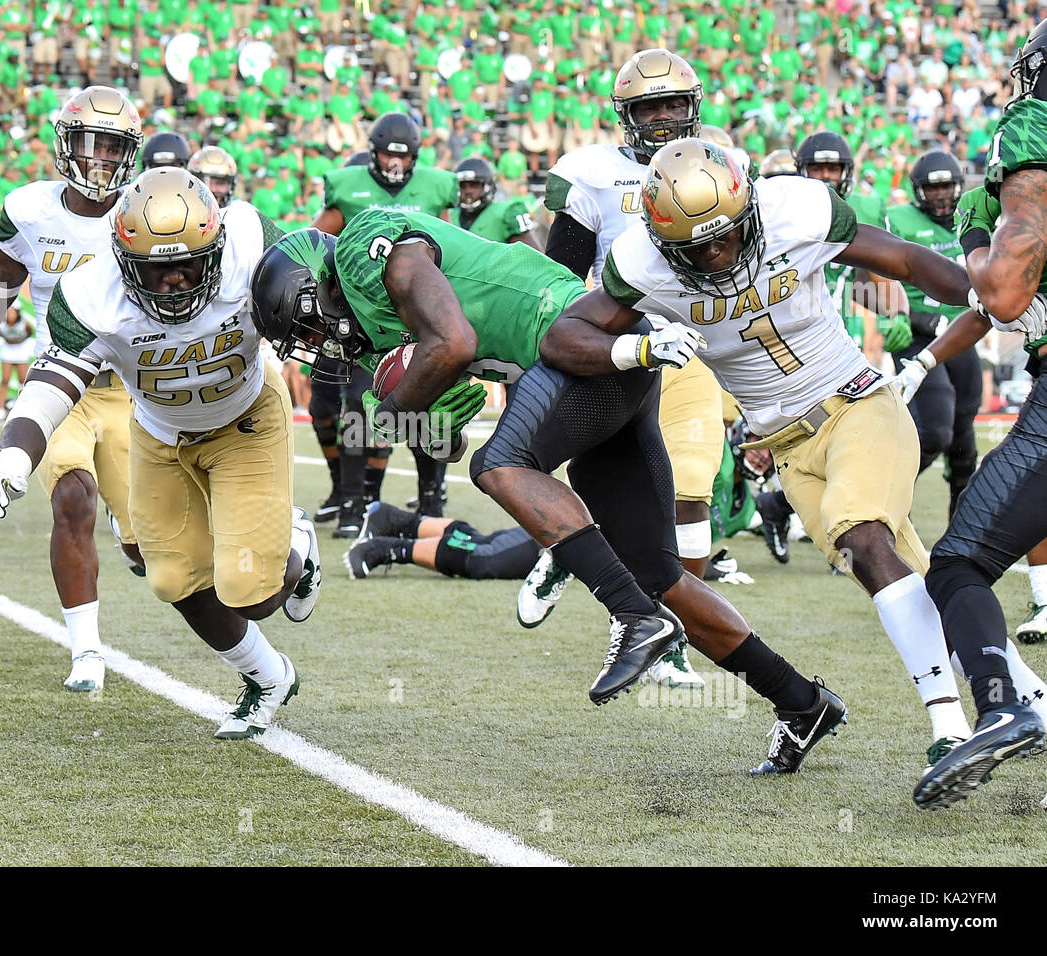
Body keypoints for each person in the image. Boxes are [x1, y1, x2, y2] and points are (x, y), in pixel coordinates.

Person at [252, 222, 843, 776]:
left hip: (581, 343)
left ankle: (634, 617)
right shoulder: (370, 329)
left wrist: (394, 412)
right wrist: (428, 418)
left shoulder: (364, 246)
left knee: (501, 464)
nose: (314, 345)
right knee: (657, 573)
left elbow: (453, 343)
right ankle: (800, 701)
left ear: (314, 288)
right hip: (596, 364)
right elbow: (452, 430)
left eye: (304, 328)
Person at [579, 136, 984, 776]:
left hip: (857, 405)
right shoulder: (640, 262)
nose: (716, 254)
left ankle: (950, 727)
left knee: (863, 534)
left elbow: (905, 259)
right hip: (790, 452)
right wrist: (636, 349)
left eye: (727, 235)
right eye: (696, 246)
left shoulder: (795, 208)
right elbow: (570, 331)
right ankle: (1026, 700)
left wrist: (983, 294)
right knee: (906, 574)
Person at [0, 167, 320, 740]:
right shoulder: (92, 294)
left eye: (189, 264)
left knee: (250, 594)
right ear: (123, 260)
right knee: (172, 578)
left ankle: (295, 542)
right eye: (157, 270)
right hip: (159, 432)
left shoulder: (250, 245)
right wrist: (12, 458)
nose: (176, 283)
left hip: (246, 419)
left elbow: (322, 301)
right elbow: (49, 386)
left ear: (218, 248)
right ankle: (268, 677)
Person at [0, 87, 146, 694]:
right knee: (72, 498)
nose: (98, 159)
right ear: (64, 145)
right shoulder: (30, 212)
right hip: (60, 382)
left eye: (111, 146)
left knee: (149, 551)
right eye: (88, 144)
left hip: (135, 390)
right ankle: (86, 651)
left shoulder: (144, 210)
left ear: (132, 153)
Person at [535, 49, 717, 689]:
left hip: (696, 344)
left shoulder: (724, 166)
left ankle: (672, 640)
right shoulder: (591, 173)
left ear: (693, 108)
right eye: (651, 106)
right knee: (598, 480)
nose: (665, 118)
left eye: (674, 104)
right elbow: (561, 277)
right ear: (627, 116)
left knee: (689, 488)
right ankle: (567, 547)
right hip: (624, 348)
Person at [904, 21, 1047, 807]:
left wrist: (977, 238)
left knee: (958, 562)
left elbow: (1001, 295)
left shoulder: (1033, 129)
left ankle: (999, 707)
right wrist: (924, 360)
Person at [310, 112, 460, 534]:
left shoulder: (435, 188)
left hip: (418, 316)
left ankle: (430, 499)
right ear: (372, 154)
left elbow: (450, 246)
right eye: (387, 156)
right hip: (365, 319)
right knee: (358, 406)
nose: (395, 166)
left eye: (404, 157)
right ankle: (354, 505)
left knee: (430, 404)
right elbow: (315, 244)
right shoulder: (348, 186)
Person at [873, 151, 980, 520]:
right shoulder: (897, 219)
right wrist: (916, 318)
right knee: (934, 432)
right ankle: (872, 509)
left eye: (947, 187)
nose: (941, 195)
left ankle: (960, 533)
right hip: (917, 337)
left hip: (962, 334)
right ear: (918, 191)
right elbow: (870, 283)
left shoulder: (973, 214)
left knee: (965, 440)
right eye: (932, 189)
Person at [345, 501, 541, 581]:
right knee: (483, 558)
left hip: (567, 523)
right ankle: (381, 549)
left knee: (481, 543)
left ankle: (393, 519)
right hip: (566, 530)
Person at [451, 157, 539, 248]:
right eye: (462, 186)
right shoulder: (448, 215)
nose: (468, 191)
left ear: (488, 187)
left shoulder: (508, 212)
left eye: (474, 185)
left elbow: (532, 257)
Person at [0, 305, 35, 404]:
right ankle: (0, 406)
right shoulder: (0, 324)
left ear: (17, 313)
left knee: (23, 380)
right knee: (5, 380)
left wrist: (19, 341)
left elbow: (30, 332)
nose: (10, 315)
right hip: (8, 350)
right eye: (8, 312)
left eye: (12, 312)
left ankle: (25, 404)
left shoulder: (24, 324)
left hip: (21, 350)